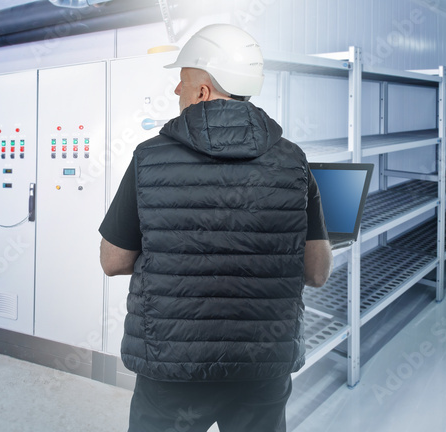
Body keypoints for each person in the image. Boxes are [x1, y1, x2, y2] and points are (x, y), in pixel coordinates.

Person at [98, 24, 332, 432]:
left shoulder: (148, 158)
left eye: (182, 81)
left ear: (203, 92)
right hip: (261, 369)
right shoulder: (294, 161)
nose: (176, 91)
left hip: (171, 369)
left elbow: (113, 261)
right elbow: (316, 272)